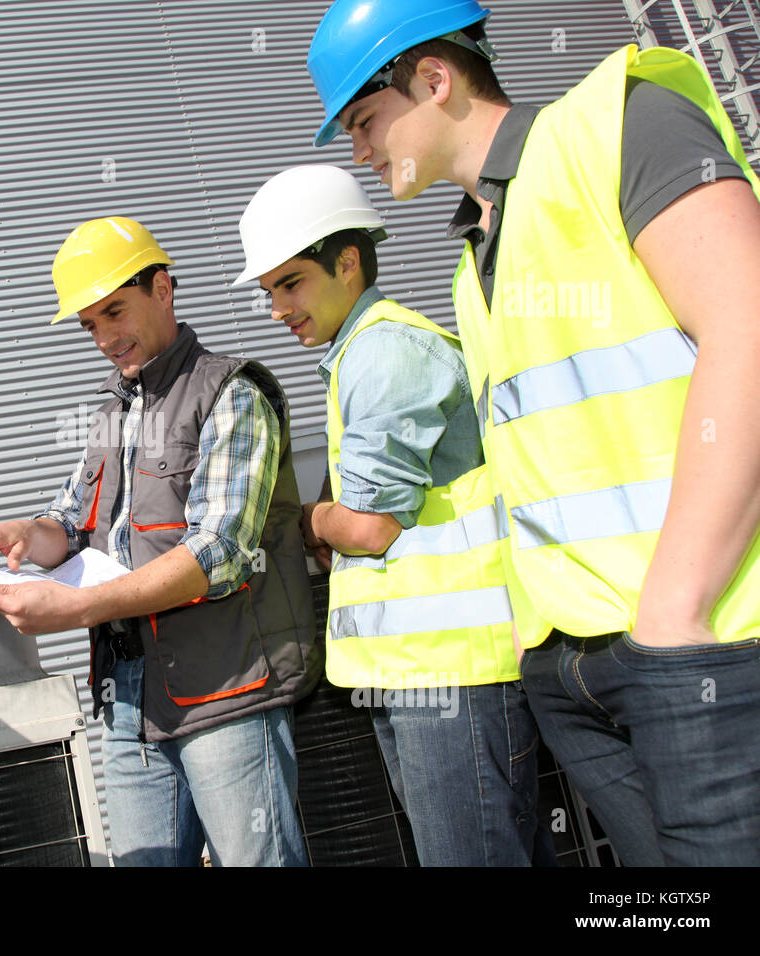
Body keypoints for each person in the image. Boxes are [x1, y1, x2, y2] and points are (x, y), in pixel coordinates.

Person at [306, 0, 760, 864]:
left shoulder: (620, 123)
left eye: (364, 121)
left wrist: (674, 608)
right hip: (574, 667)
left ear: (433, 80)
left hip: (705, 643)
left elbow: (751, 328)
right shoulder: (475, 264)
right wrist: (537, 639)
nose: (361, 153)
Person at [0, 217, 321, 866]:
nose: (104, 337)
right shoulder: (111, 413)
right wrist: (19, 533)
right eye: (90, 323)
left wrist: (76, 609)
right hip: (128, 701)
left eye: (115, 311)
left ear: (164, 289)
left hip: (224, 693)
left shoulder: (231, 394)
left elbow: (220, 555)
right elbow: (69, 525)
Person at [235, 163, 549, 866]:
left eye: (290, 283)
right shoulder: (359, 354)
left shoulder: (383, 352)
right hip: (416, 669)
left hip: (453, 672)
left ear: (347, 262)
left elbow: (370, 526)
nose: (279, 307)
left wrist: (310, 521)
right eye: (269, 292)